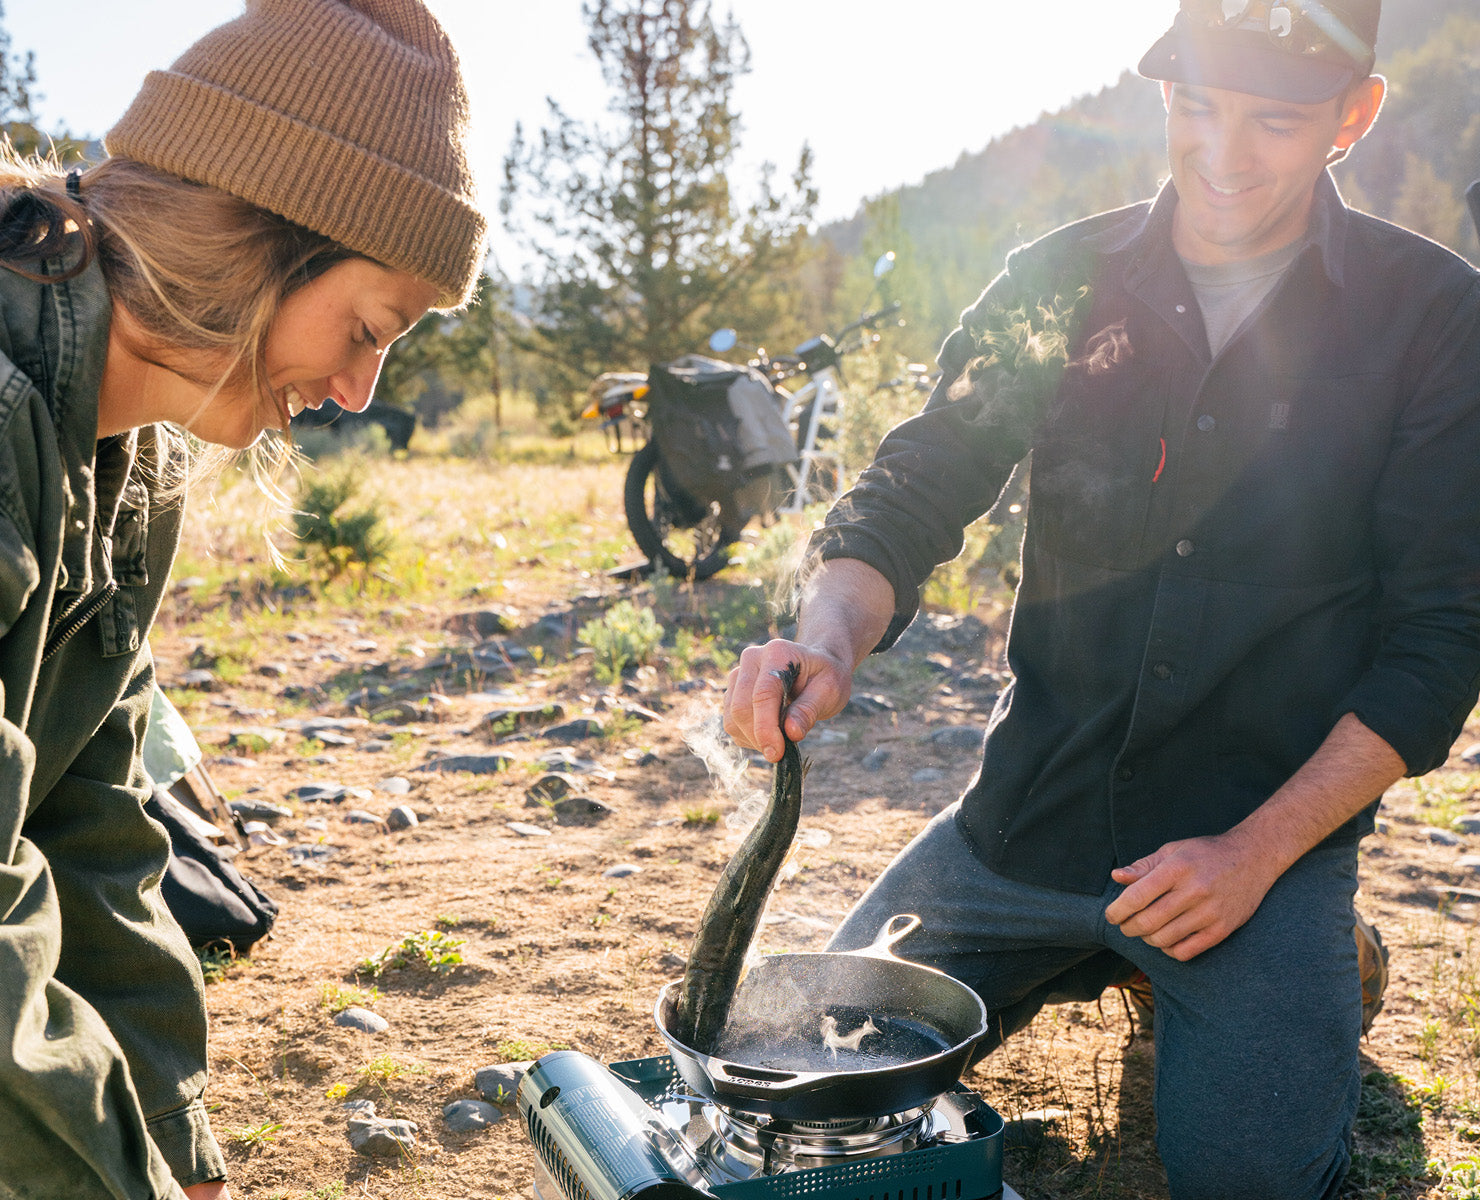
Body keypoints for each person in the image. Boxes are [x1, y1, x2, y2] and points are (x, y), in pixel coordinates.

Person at [723, 0, 1480, 1195]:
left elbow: (1442, 640)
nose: (1222, 156)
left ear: (1354, 115)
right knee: (806, 1079)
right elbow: (917, 483)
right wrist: (826, 637)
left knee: (1248, 1180)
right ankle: (1137, 962)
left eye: (1274, 122)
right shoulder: (1056, 279)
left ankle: (1324, 951)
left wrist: (1256, 854)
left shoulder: (1436, 316)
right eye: (1197, 107)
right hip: (1024, 826)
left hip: (1255, 850)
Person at [0, 1, 485, 1196]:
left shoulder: (134, 461)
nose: (361, 389)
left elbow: (92, 819)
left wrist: (173, 1137)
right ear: (254, 239)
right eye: (368, 327)